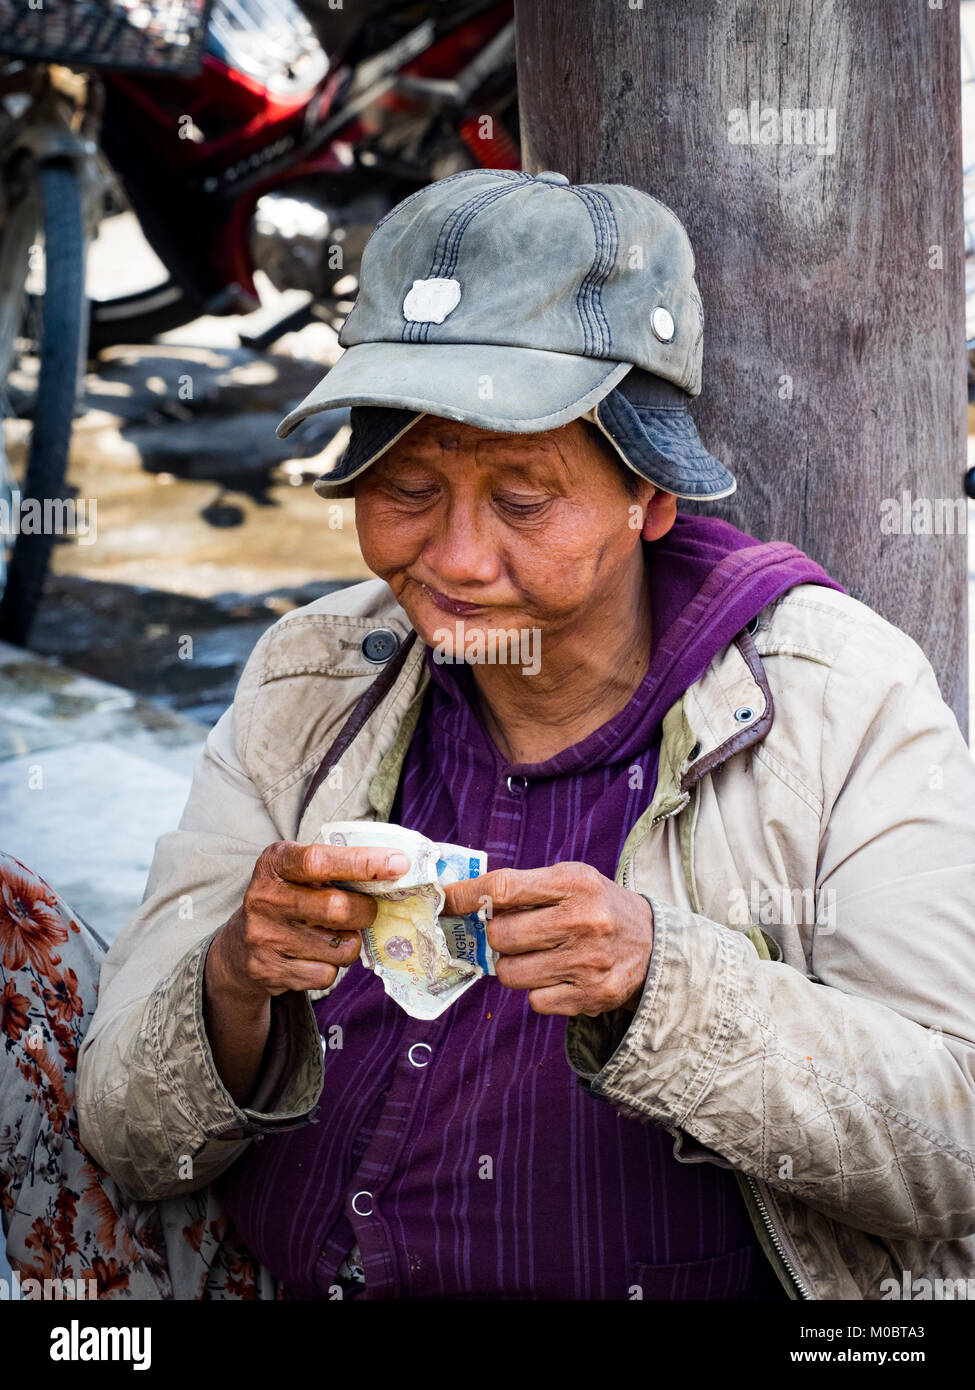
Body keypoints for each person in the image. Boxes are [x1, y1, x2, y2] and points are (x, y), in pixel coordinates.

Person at [3, 168, 974, 1301]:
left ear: (651, 498)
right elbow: (127, 1129)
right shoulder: (316, 670)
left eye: (523, 500)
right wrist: (232, 980)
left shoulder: (834, 695)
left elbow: (955, 1143)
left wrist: (663, 981)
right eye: (406, 487)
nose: (457, 559)